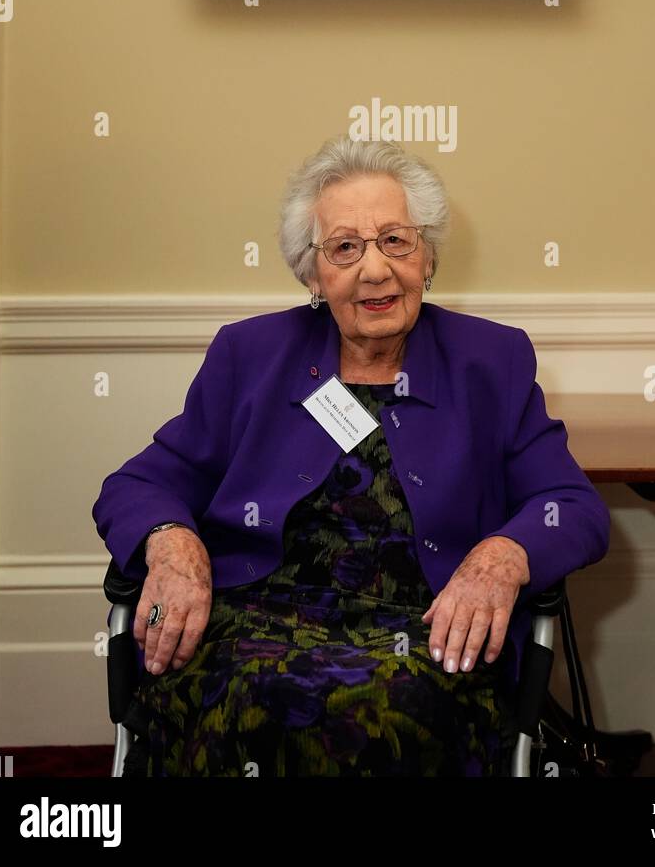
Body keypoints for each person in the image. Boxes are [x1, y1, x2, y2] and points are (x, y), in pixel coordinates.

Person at [92, 136, 610, 776]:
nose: (375, 269)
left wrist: (502, 557)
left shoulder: (490, 361)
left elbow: (572, 506)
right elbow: (138, 484)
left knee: (384, 713)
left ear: (427, 256)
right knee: (249, 698)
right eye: (345, 247)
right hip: (252, 624)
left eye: (396, 240)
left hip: (423, 632)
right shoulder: (249, 355)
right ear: (312, 273)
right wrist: (171, 545)